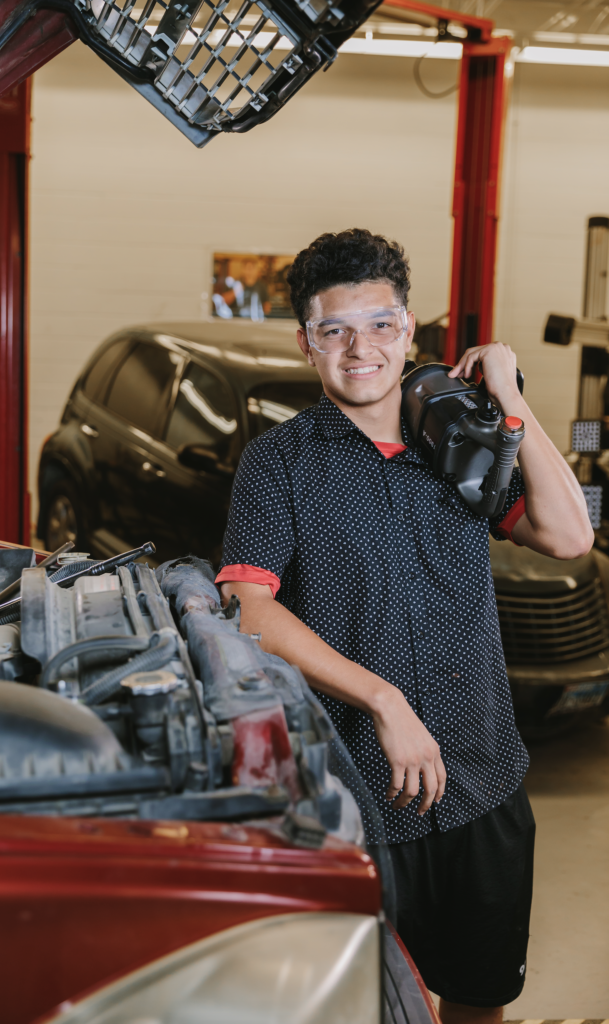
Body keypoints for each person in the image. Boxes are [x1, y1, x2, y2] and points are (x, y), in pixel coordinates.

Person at [215, 228, 593, 1024]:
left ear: (408, 328)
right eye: (334, 330)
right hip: (357, 797)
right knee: (361, 1006)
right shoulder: (278, 463)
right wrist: (384, 701)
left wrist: (512, 400)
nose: (360, 349)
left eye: (379, 324)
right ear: (307, 344)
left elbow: (569, 536)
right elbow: (250, 606)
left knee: (476, 998)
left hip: (481, 779)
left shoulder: (460, 443)